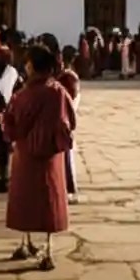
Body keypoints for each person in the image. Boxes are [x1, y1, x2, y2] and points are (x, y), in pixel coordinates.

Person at [4, 45, 76, 271]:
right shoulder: (58, 92)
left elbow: (10, 125)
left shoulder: (21, 95)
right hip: (50, 156)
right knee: (49, 199)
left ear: (32, 67)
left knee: (26, 198)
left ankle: (25, 242)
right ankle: (48, 249)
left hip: (25, 154)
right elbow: (70, 121)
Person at [0, 44, 22, 194]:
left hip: (0, 110)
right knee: (3, 147)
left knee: (2, 147)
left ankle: (3, 177)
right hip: (5, 110)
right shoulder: (11, 72)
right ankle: (3, 176)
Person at [56, 45, 82, 205]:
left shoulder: (66, 78)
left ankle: (68, 190)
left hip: (64, 119)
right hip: (67, 118)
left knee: (66, 158)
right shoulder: (70, 77)